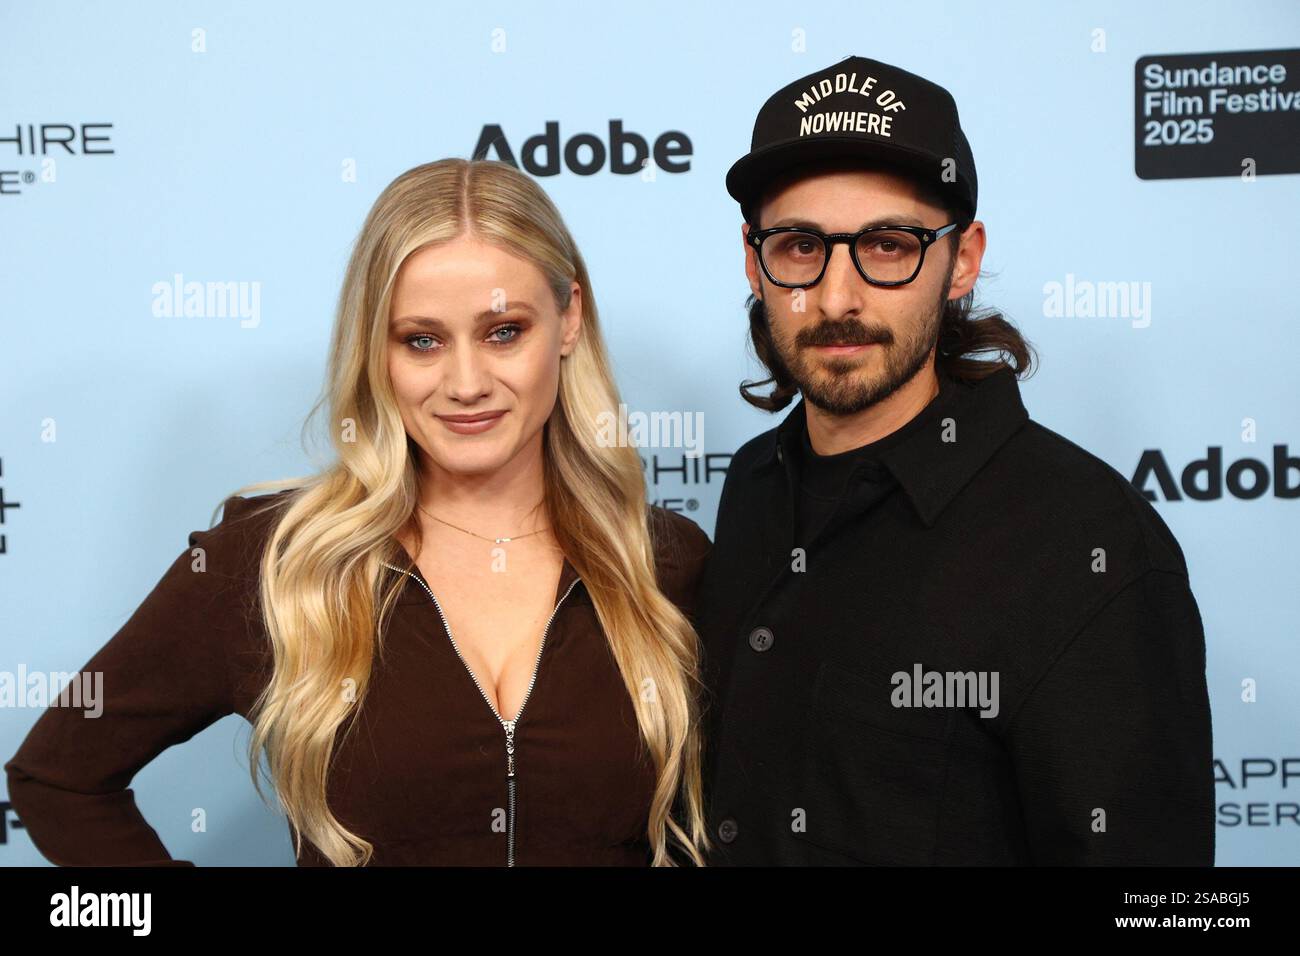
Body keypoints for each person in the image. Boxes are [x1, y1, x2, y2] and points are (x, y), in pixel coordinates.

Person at [5, 158, 713, 867]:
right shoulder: (274, 562)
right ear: (376, 350)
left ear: (568, 322)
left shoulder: (665, 562)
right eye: (422, 340)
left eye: (503, 331)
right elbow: (56, 778)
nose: (466, 383)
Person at [696, 56, 1215, 865]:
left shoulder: (1089, 547)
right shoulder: (754, 483)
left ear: (962, 261)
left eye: (889, 246)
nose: (837, 298)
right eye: (800, 247)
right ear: (753, 259)